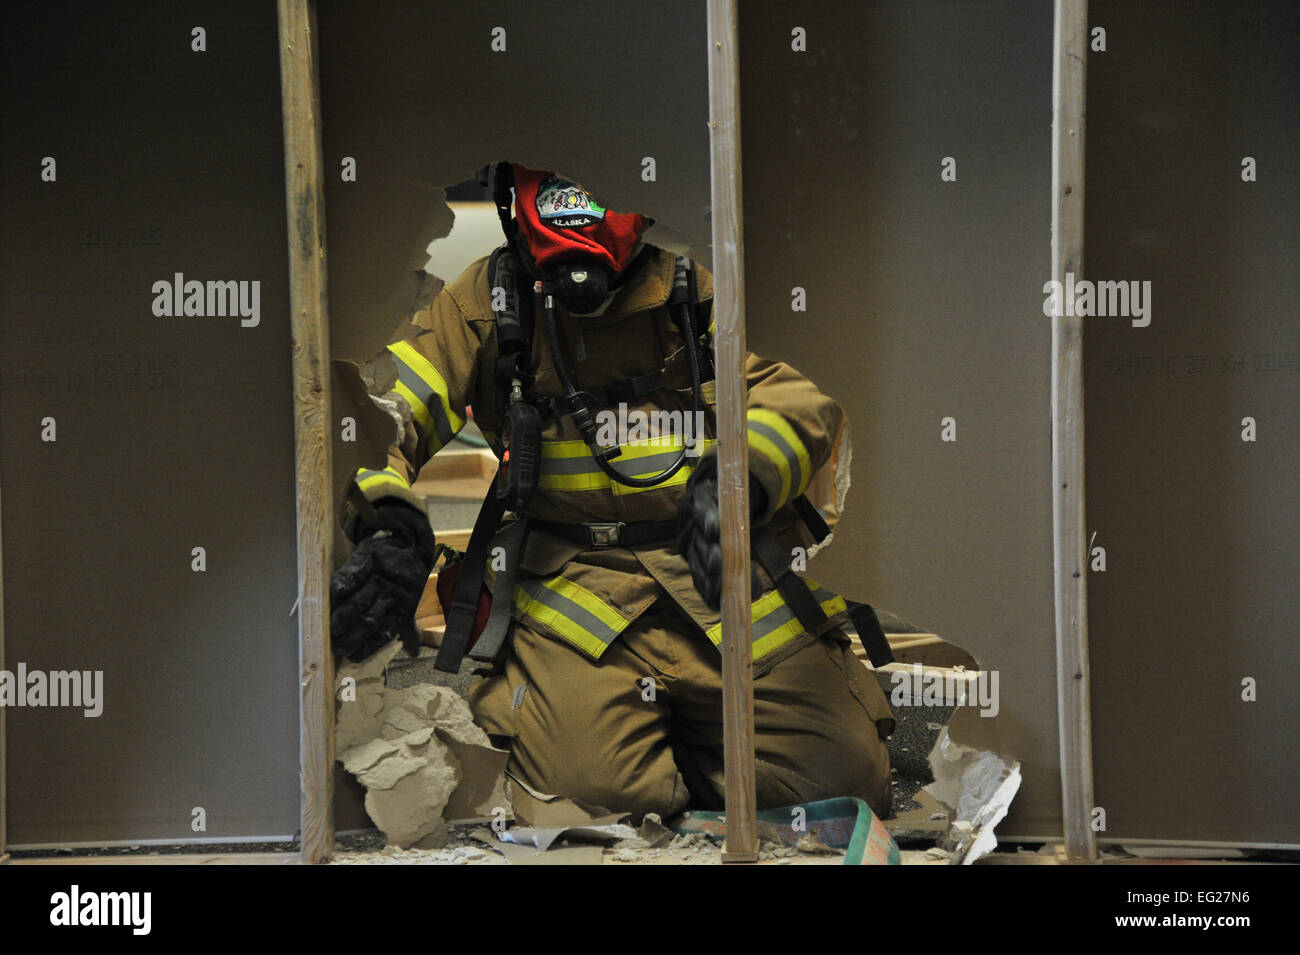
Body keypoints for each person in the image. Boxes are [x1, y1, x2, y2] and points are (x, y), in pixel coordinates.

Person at [330, 163, 895, 819]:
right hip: (575, 595)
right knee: (590, 800)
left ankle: (696, 744)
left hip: (729, 580)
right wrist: (386, 515)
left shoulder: (710, 275)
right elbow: (382, 410)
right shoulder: (484, 302)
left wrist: (742, 482)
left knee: (842, 787)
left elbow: (796, 394)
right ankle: (673, 751)